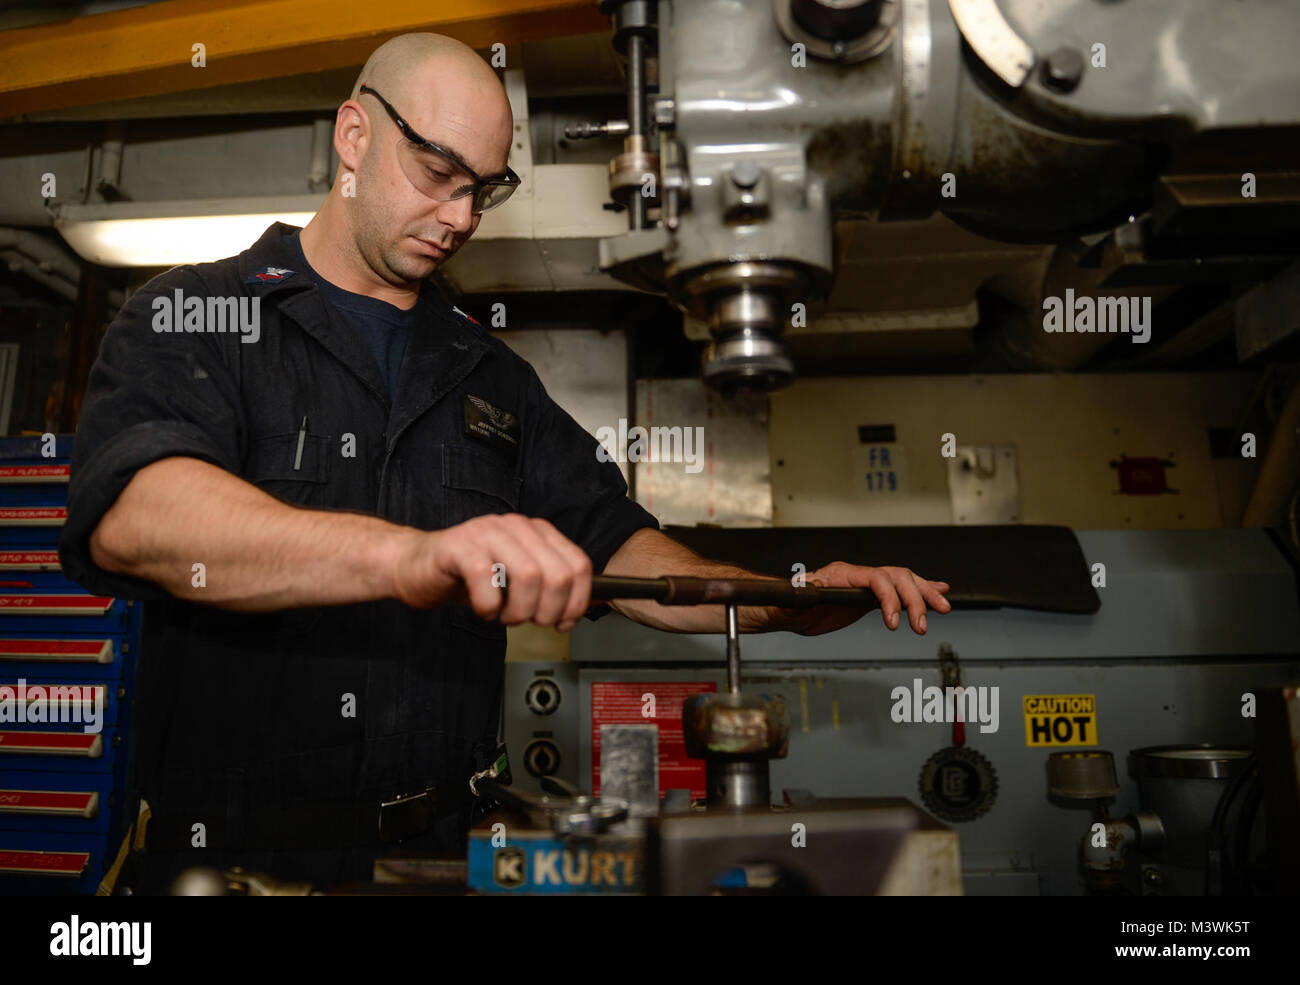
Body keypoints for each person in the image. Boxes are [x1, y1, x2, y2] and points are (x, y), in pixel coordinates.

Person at [58, 33, 951, 893]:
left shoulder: (490, 374)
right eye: (438, 174)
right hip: (235, 864)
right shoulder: (197, 314)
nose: (460, 218)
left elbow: (618, 549)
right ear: (354, 135)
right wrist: (411, 557)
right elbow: (141, 517)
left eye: (484, 190)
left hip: (442, 863)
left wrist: (783, 601)